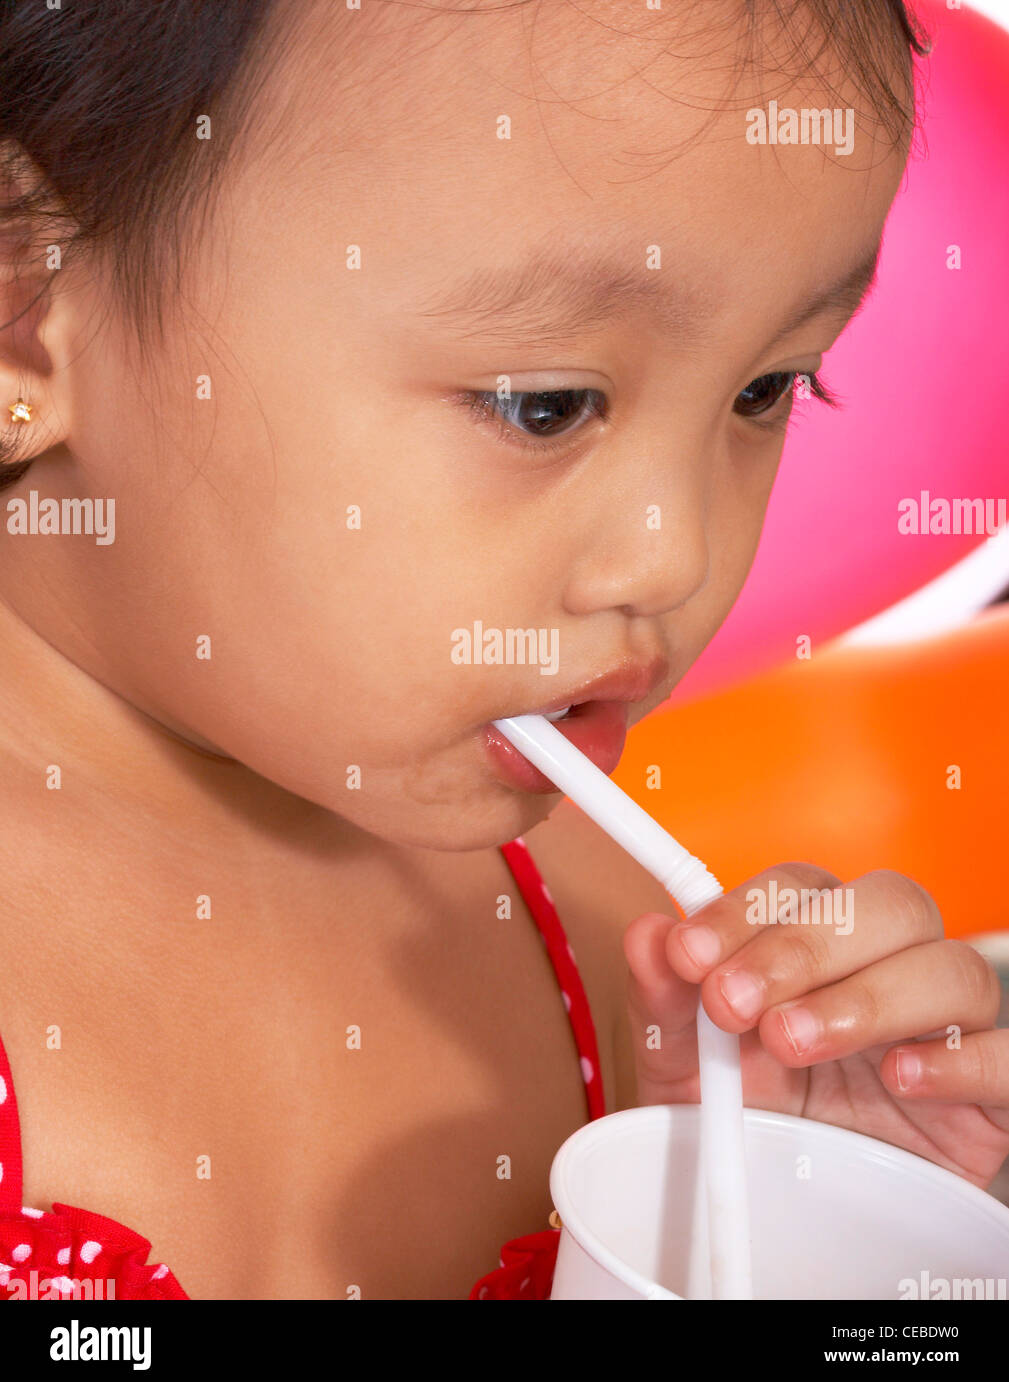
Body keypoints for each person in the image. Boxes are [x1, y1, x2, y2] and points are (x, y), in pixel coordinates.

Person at [0, 0, 1004, 1301]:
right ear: (27, 306)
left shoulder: (627, 960)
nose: (675, 556)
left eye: (767, 388)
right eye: (545, 405)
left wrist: (806, 1247)